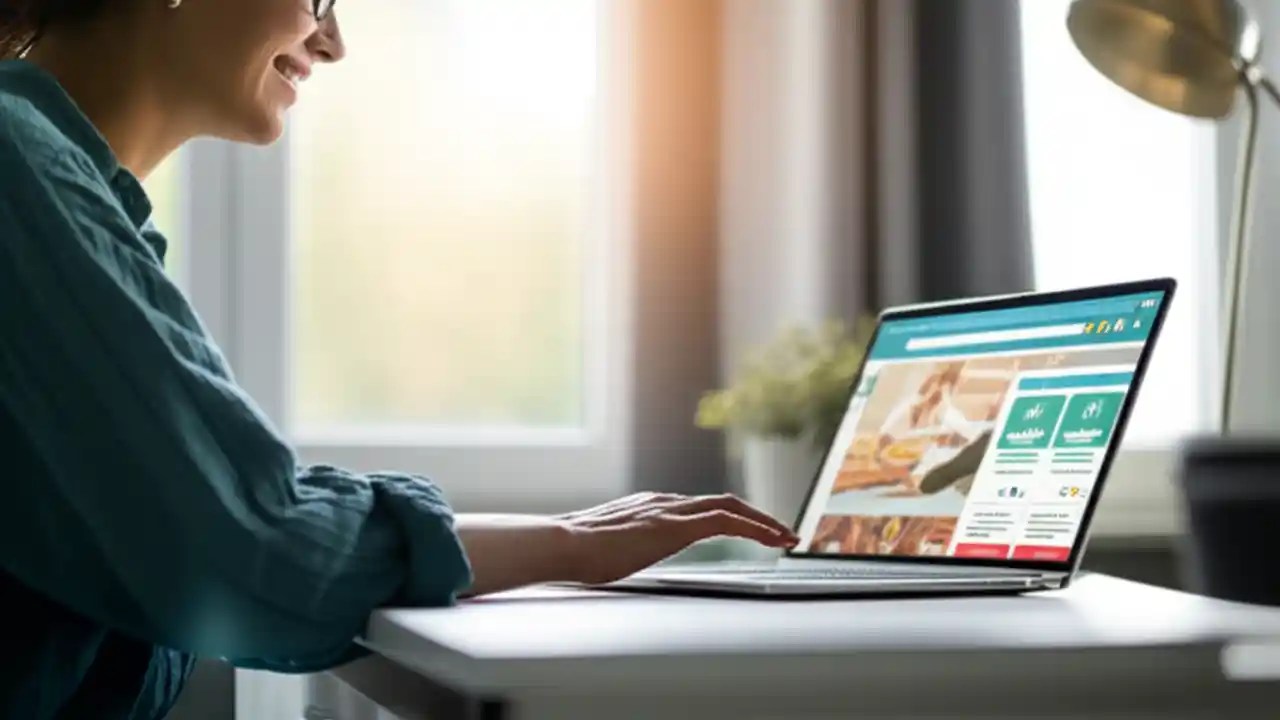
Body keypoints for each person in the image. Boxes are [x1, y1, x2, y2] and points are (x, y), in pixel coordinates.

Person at [0, 1, 800, 717]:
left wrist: (559, 539)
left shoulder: (68, 195)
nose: (334, 40)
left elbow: (217, 523)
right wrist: (568, 545)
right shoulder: (15, 165)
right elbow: (247, 546)